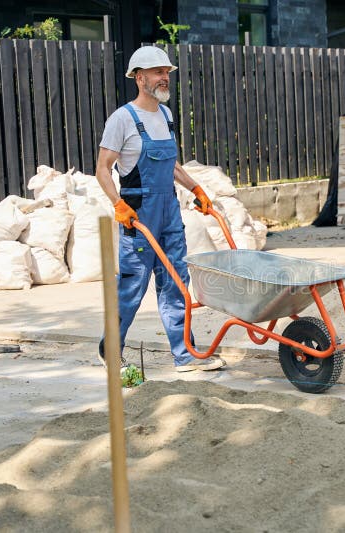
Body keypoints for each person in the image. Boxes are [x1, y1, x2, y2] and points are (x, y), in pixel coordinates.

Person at [94, 45, 225, 373]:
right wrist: (118, 205)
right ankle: (110, 351)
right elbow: (102, 169)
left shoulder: (165, 116)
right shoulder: (122, 119)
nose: (165, 77)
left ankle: (185, 355)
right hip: (137, 215)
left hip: (168, 211)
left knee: (176, 283)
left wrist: (196, 188)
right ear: (139, 78)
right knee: (131, 287)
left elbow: (172, 165)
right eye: (157, 72)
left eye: (166, 72)